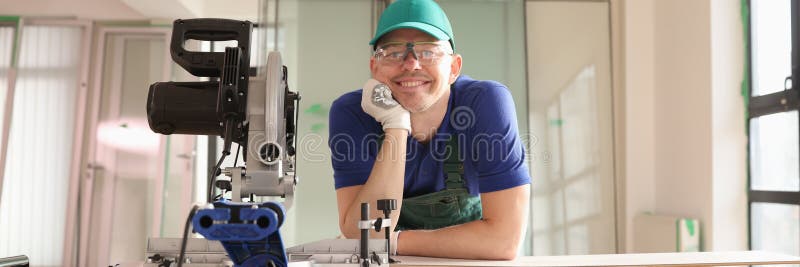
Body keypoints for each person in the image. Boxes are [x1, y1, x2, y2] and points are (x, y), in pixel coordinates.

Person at [328, 0, 531, 260]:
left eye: (427, 52)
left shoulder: (486, 102)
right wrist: (396, 125)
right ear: (375, 68)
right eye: (393, 52)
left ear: (454, 68)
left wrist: (392, 241)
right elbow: (361, 232)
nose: (411, 64)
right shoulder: (352, 113)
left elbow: (504, 241)